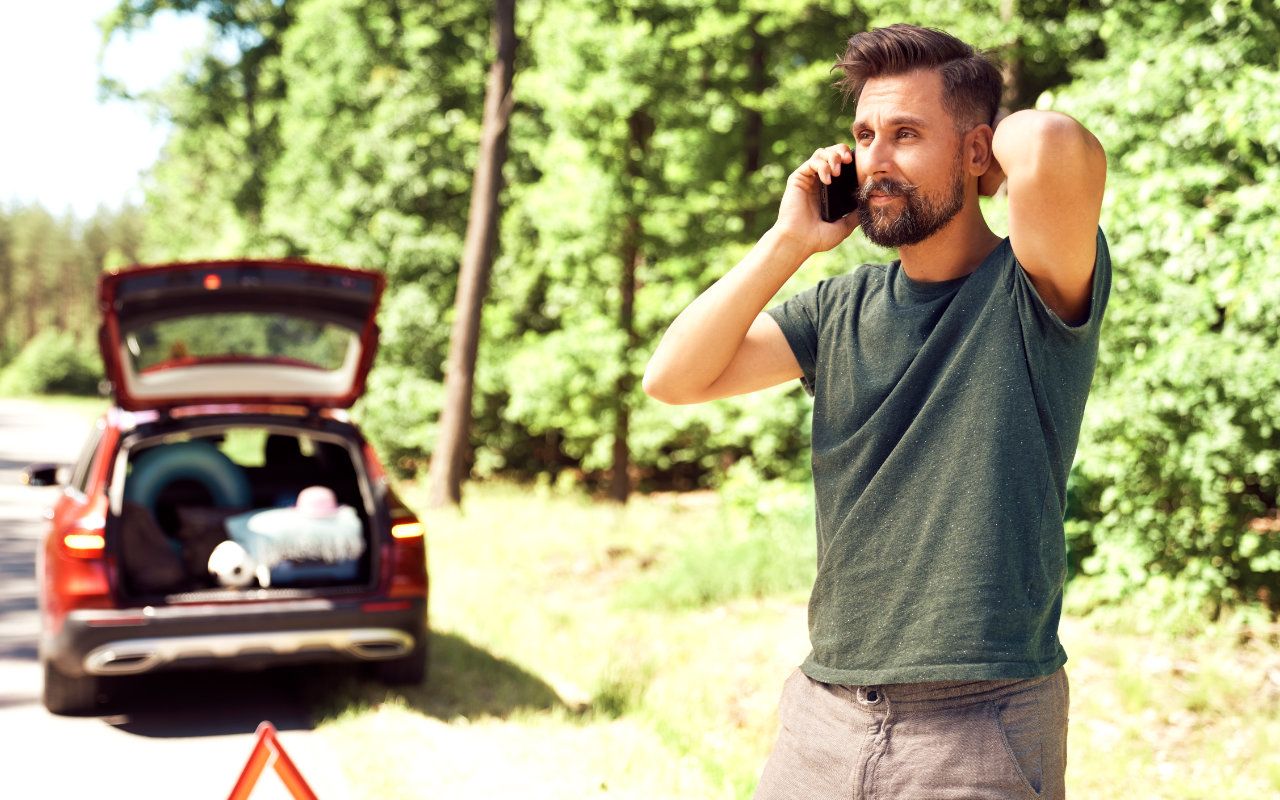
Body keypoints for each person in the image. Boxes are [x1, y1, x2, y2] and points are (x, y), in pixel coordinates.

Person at [643, 23, 1109, 800]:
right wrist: (789, 241)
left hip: (981, 722)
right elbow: (673, 377)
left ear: (976, 152)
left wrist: (987, 152)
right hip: (823, 714)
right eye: (863, 135)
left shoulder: (1031, 289)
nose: (874, 160)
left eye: (906, 134)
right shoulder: (839, 307)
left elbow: (1055, 142)